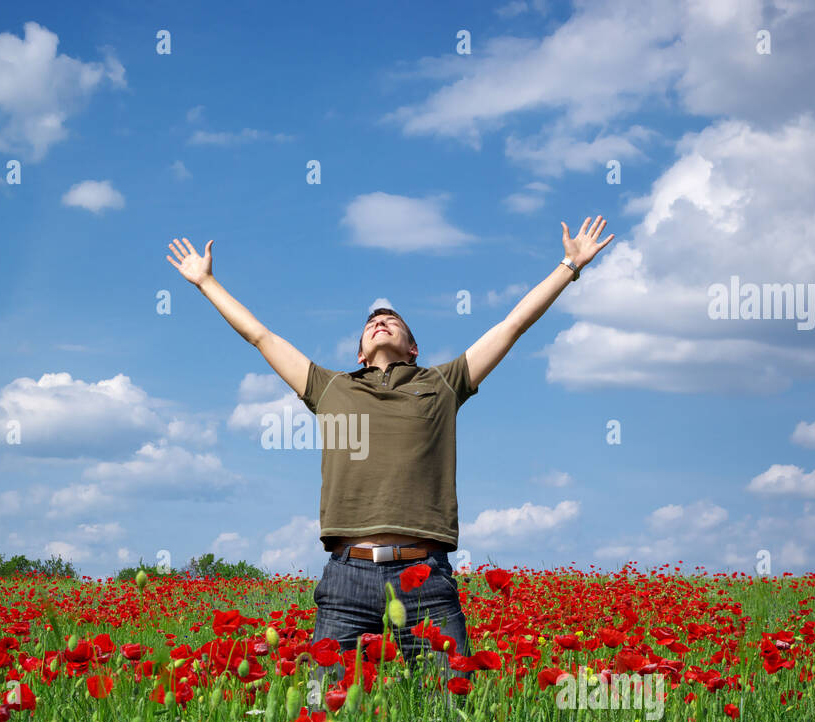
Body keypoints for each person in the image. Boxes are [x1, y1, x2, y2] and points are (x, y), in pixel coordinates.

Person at [166, 217, 614, 687]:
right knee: (322, 715)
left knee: (451, 710)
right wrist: (205, 282)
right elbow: (261, 336)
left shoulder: (443, 383)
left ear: (413, 347)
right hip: (346, 574)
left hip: (425, 575)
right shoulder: (329, 387)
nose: (380, 321)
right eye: (371, 323)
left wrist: (569, 266)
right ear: (360, 351)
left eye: (392, 321)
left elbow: (513, 324)